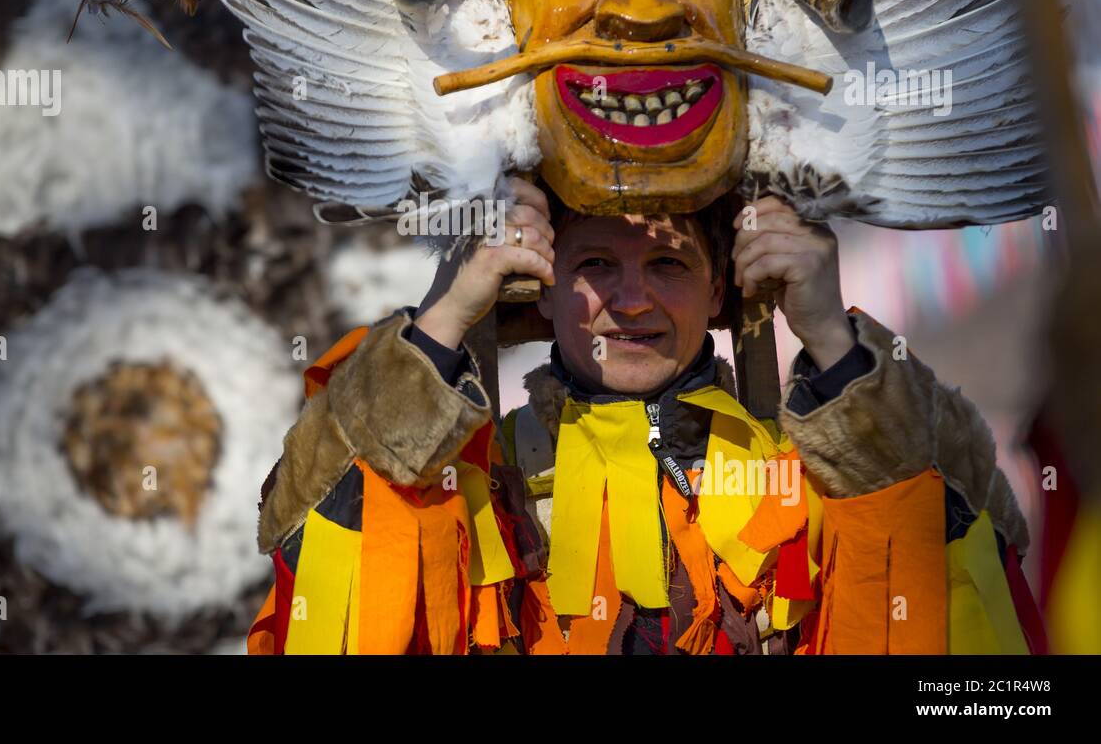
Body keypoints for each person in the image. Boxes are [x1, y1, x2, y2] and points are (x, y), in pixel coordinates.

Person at [247, 178, 1040, 655]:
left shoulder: (809, 473)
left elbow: (965, 568)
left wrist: (831, 333)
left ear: (721, 289)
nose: (630, 302)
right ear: (545, 284)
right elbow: (313, 536)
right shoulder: (472, 486)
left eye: (668, 263)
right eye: (594, 266)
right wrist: (447, 314)